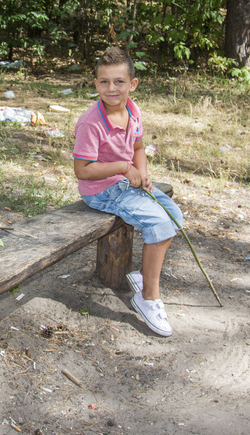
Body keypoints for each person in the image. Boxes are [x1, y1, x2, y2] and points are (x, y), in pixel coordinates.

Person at [73, 47, 183, 337]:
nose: (112, 88)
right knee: (158, 224)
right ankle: (148, 297)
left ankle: (143, 275)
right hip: (101, 191)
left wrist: (141, 172)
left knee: (173, 215)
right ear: (95, 84)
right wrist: (123, 167)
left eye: (119, 81)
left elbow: (138, 148)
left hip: (124, 183)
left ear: (132, 84)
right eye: (104, 82)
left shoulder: (133, 110)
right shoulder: (91, 122)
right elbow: (82, 170)